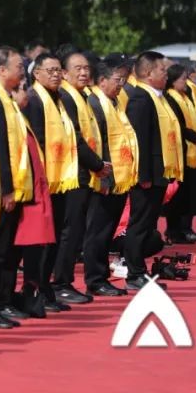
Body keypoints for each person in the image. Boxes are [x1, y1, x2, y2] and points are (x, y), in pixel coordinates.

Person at [52, 51, 109, 303]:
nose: (84, 73)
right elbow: (75, 137)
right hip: (73, 173)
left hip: (83, 171)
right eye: (77, 69)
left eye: (86, 68)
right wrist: (97, 164)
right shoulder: (67, 96)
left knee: (75, 232)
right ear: (64, 73)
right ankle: (60, 283)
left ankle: (63, 282)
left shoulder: (83, 96)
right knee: (69, 232)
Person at [0, 47, 30, 323]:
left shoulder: (6, 98)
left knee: (7, 249)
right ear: (1, 70)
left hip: (11, 185)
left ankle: (1, 302)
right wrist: (7, 188)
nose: (22, 73)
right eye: (18, 67)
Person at [124, 51, 180, 290]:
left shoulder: (158, 97)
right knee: (139, 224)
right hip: (147, 174)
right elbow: (140, 140)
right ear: (147, 73)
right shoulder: (140, 98)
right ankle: (134, 272)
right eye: (162, 70)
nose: (166, 74)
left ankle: (139, 270)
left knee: (148, 224)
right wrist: (143, 175)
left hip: (160, 172)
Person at [24, 52, 74, 313]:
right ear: (36, 73)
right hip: (43, 180)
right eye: (50, 70)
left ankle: (45, 288)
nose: (56, 75)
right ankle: (35, 289)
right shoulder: (33, 99)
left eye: (58, 70)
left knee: (55, 237)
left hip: (61, 179)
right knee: (41, 241)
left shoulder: (60, 99)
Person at [83, 61, 136, 297]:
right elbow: (97, 143)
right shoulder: (94, 103)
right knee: (99, 231)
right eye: (117, 80)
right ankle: (95, 278)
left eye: (123, 81)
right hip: (103, 177)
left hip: (118, 176)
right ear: (102, 81)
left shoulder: (115, 102)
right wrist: (103, 179)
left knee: (108, 229)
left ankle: (101, 275)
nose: (121, 85)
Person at [164, 63, 196, 244]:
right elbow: (178, 126)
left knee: (189, 194)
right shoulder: (170, 98)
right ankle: (174, 230)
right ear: (173, 81)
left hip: (191, 151)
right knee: (177, 196)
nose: (186, 82)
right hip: (181, 150)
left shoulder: (186, 96)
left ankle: (184, 228)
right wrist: (195, 137)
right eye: (183, 79)